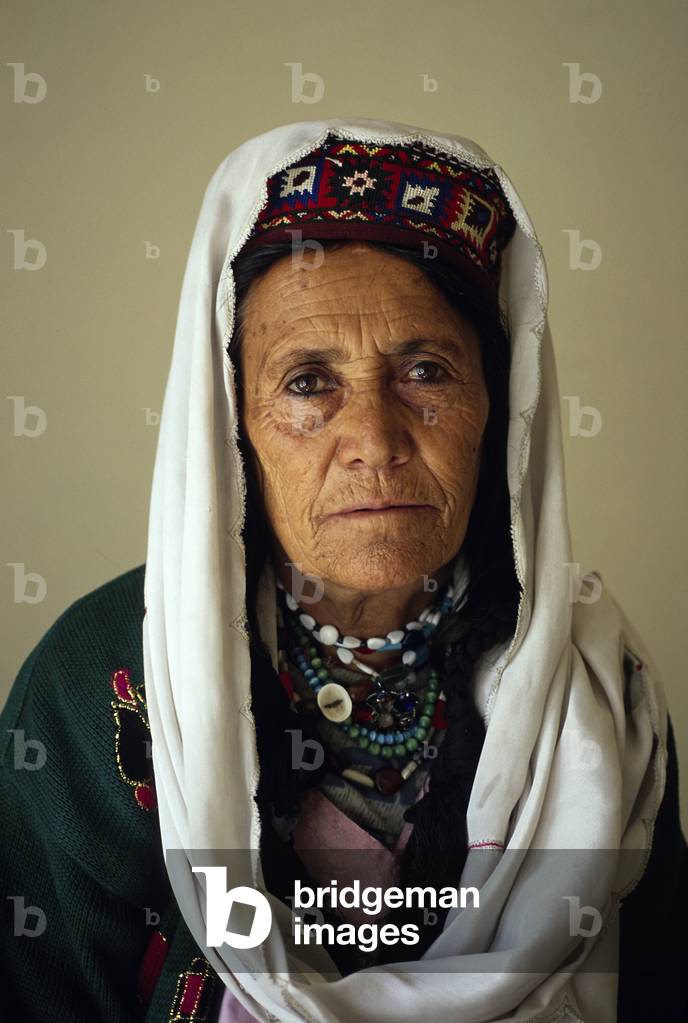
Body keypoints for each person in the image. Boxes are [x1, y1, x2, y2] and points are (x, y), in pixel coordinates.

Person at [1, 116, 686, 1023]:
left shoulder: (598, 689)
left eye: (426, 370)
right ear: (232, 426)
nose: (374, 441)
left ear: (500, 403)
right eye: (307, 382)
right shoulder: (105, 682)